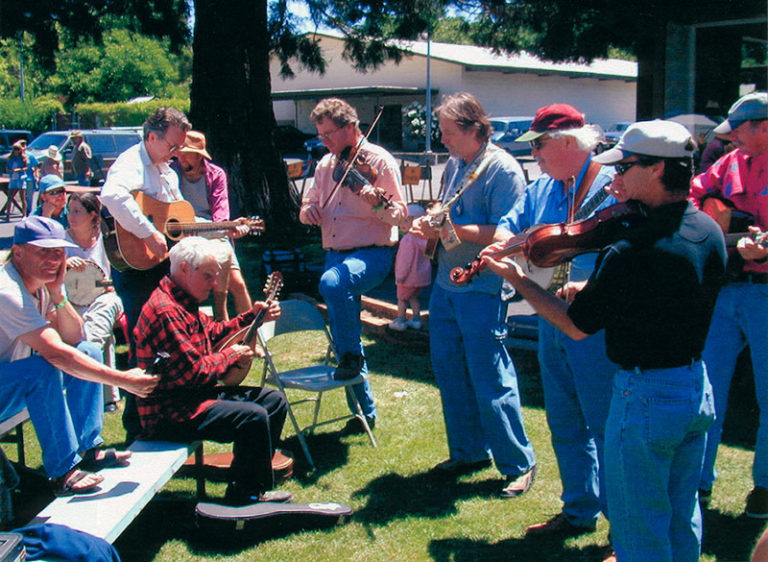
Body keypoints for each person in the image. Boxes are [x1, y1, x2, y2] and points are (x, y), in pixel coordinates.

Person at [483, 120, 725, 561]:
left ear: (656, 170)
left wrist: (520, 279)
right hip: (694, 385)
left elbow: (577, 327)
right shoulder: (706, 228)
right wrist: (599, 291)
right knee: (680, 516)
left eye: (626, 167)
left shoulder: (630, 249)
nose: (616, 178)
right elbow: (667, 296)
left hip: (646, 395)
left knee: (639, 529)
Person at [495, 103, 618, 533]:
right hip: (551, 317)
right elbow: (510, 224)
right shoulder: (542, 188)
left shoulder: (612, 184)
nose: (536, 156)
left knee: (606, 425)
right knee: (565, 420)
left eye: (541, 146)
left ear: (569, 142)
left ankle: (621, 527)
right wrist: (504, 243)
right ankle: (579, 510)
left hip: (598, 326)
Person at [409, 92, 535, 498]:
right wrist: (434, 219)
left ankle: (518, 463)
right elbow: (453, 213)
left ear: (472, 128)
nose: (442, 140)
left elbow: (507, 235)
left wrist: (451, 229)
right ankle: (468, 452)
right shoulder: (456, 163)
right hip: (447, 284)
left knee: (490, 375)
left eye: (447, 132)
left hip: (481, 288)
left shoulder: (503, 170)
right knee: (450, 371)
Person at [0, 216, 158, 496]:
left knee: (89, 351)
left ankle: (87, 449)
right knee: (42, 369)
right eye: (43, 251)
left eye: (58, 252)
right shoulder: (8, 291)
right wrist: (122, 379)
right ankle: (64, 469)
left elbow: (75, 339)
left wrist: (58, 293)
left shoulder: (39, 284)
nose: (53, 259)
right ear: (20, 252)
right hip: (11, 384)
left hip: (10, 382)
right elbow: (57, 353)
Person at [133, 236, 290, 506]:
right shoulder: (165, 311)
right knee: (252, 417)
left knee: (273, 401)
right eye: (208, 276)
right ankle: (246, 495)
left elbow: (213, 331)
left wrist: (252, 316)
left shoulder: (182, 300)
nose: (215, 284)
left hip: (191, 398)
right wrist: (231, 355)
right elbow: (193, 372)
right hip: (169, 414)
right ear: (184, 269)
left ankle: (249, 485)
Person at [299, 98, 406, 433]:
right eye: (321, 136)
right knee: (347, 329)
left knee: (333, 284)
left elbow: (399, 216)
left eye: (329, 134)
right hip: (336, 253)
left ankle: (350, 359)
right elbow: (309, 202)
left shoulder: (379, 161)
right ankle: (364, 413)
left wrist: (375, 202)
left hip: (371, 254)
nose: (325, 142)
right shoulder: (325, 164)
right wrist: (308, 212)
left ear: (350, 127)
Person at [689, 91, 768, 518]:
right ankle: (698, 481)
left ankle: (766, 486)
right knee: (707, 389)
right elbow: (691, 196)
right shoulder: (730, 162)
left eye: (739, 129)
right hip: (726, 289)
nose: (730, 137)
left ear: (764, 127)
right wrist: (712, 209)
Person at [100, 106, 191, 439]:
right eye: (173, 145)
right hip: (137, 268)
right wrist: (147, 231)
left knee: (169, 341)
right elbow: (111, 196)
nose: (177, 152)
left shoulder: (167, 171)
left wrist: (223, 228)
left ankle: (166, 415)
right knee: (143, 344)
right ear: (152, 137)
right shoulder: (130, 162)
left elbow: (179, 219)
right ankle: (136, 427)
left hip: (162, 266)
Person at [171, 130, 253, 321]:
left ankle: (251, 335)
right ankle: (219, 327)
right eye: (179, 153)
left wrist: (228, 227)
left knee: (238, 285)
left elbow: (221, 216)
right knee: (211, 286)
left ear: (199, 155)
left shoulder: (216, 174)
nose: (180, 157)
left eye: (186, 153)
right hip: (186, 238)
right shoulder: (171, 172)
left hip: (214, 233)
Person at [65, 192, 124, 412]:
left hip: (104, 299)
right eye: (69, 211)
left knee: (104, 308)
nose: (71, 216)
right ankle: (108, 397)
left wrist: (109, 284)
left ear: (92, 215)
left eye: (77, 211)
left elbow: (119, 276)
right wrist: (65, 264)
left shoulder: (107, 239)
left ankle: (85, 360)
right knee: (99, 330)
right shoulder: (61, 241)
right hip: (72, 304)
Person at [389, 204, 432, 331]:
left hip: (407, 278)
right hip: (421, 277)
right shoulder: (425, 239)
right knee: (414, 297)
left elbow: (404, 261)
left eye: (407, 219)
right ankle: (416, 319)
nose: (402, 222)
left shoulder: (408, 239)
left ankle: (401, 320)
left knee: (401, 299)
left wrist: (400, 276)